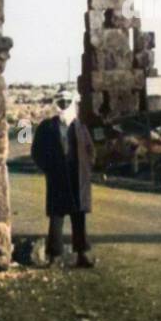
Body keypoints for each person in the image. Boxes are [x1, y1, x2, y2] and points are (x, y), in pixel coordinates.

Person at [31, 85, 95, 268]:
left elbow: (90, 150)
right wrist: (48, 169)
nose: (64, 105)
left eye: (67, 102)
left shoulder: (80, 126)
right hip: (57, 177)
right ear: (56, 104)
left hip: (77, 177)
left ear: (72, 103)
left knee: (79, 217)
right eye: (61, 102)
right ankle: (54, 256)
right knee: (56, 217)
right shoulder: (47, 127)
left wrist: (86, 169)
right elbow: (36, 151)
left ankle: (82, 255)